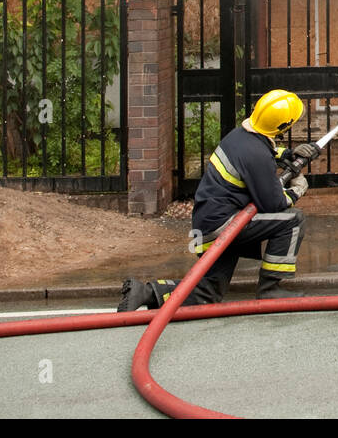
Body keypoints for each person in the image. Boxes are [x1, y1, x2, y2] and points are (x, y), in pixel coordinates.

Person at [118, 89, 321, 311]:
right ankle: (270, 289)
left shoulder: (240, 137)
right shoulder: (256, 154)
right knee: (293, 220)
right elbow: (273, 203)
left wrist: (288, 154)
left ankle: (145, 292)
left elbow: (261, 154)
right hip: (224, 226)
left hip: (209, 224)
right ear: (283, 126)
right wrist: (297, 190)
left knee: (207, 294)